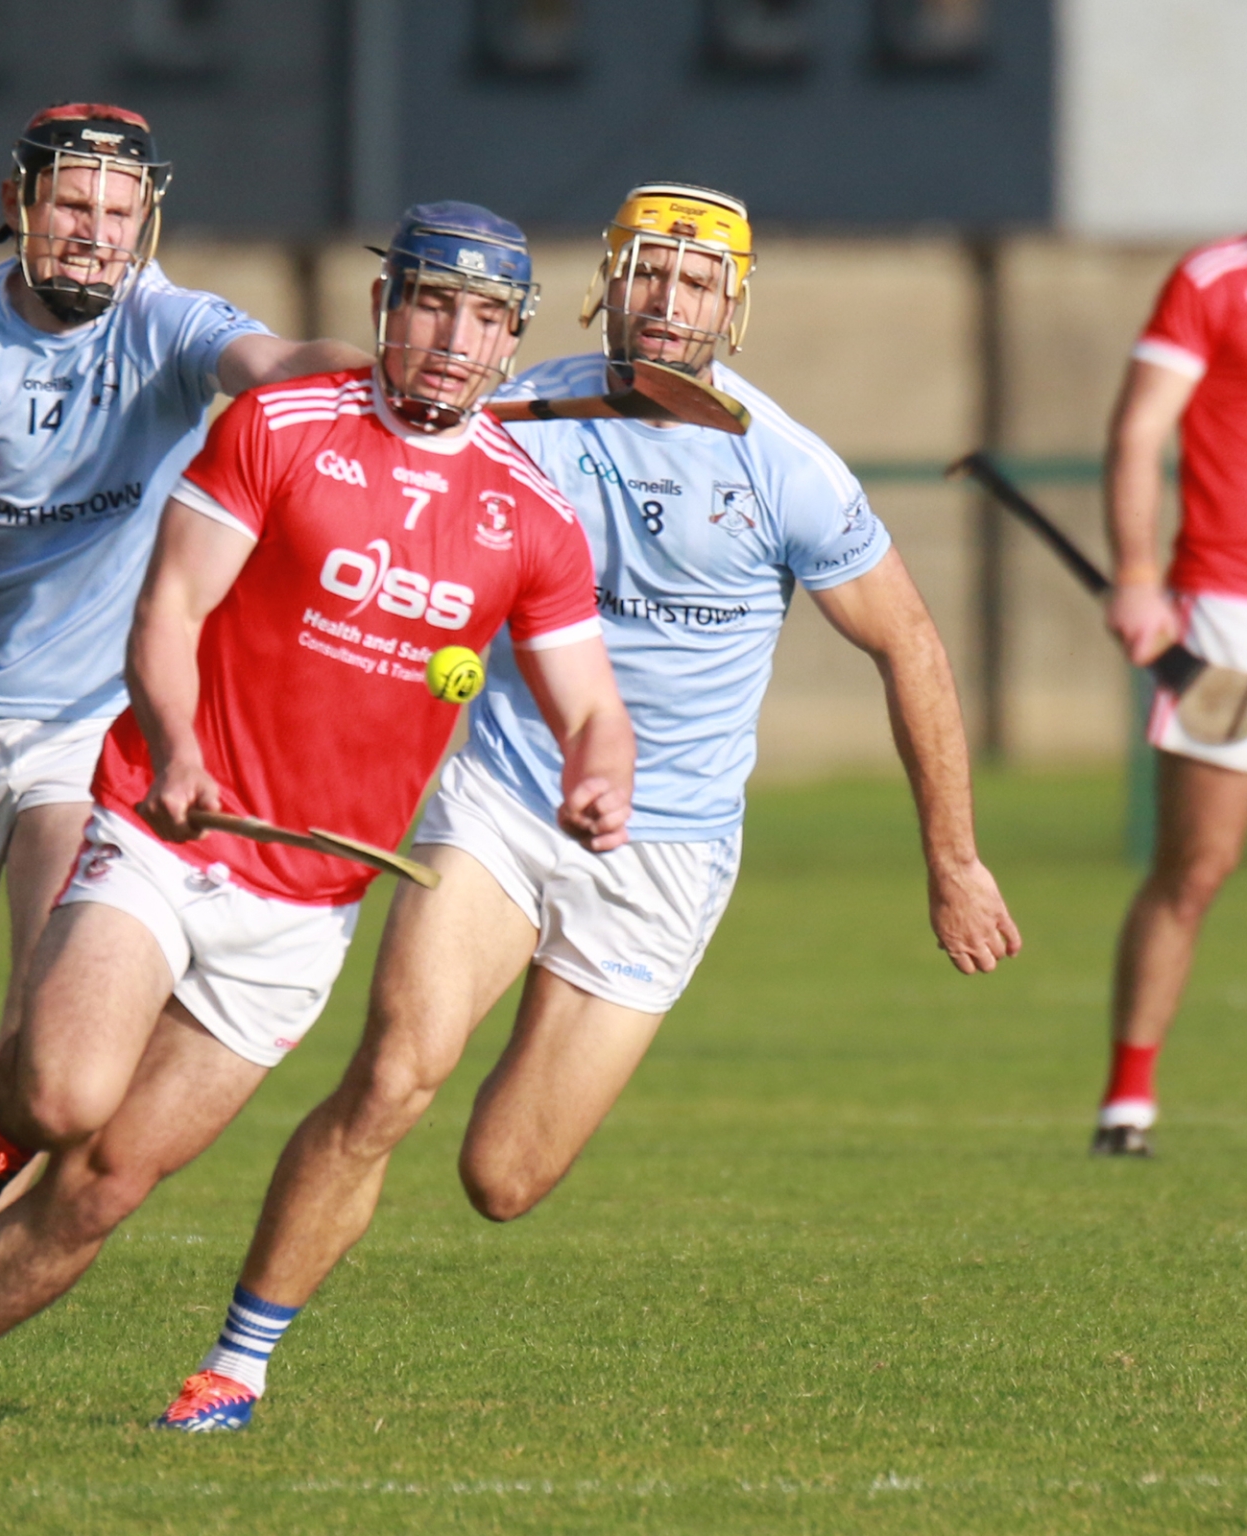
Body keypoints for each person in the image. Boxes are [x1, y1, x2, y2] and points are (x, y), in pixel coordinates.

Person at [154, 182, 1022, 1432]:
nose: (668, 305)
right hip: (508, 797)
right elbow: (349, 433)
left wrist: (955, 859)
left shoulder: (784, 469)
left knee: (502, 1178)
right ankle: (234, 1369)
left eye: (698, 284)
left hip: (665, 857)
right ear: (605, 284)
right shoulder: (518, 418)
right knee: (396, 1073)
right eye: (648, 277)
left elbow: (914, 648)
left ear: (736, 308)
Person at [0, 201, 636, 1457]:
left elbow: (595, 708)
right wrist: (178, 747)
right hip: (167, 832)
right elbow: (172, 608)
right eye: (428, 304)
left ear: (511, 339)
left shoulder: (531, 517)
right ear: (381, 312)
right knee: (68, 1093)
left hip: (305, 908)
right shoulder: (280, 428)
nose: (451, 336)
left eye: (481, 316)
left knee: (107, 1186)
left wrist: (598, 777)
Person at [0, 100, 370, 1315]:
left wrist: (383, 365)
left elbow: (274, 368)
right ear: (19, 207)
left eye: (119, 213)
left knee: (53, 1027)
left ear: (149, 223)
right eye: (74, 207)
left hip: (86, 727)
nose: (96, 233)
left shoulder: (167, 323)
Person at [1092, 72, 1247, 1156]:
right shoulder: (1213, 278)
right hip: (1236, 614)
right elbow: (1141, 432)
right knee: (1197, 867)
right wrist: (1140, 575)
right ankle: (1127, 1102)